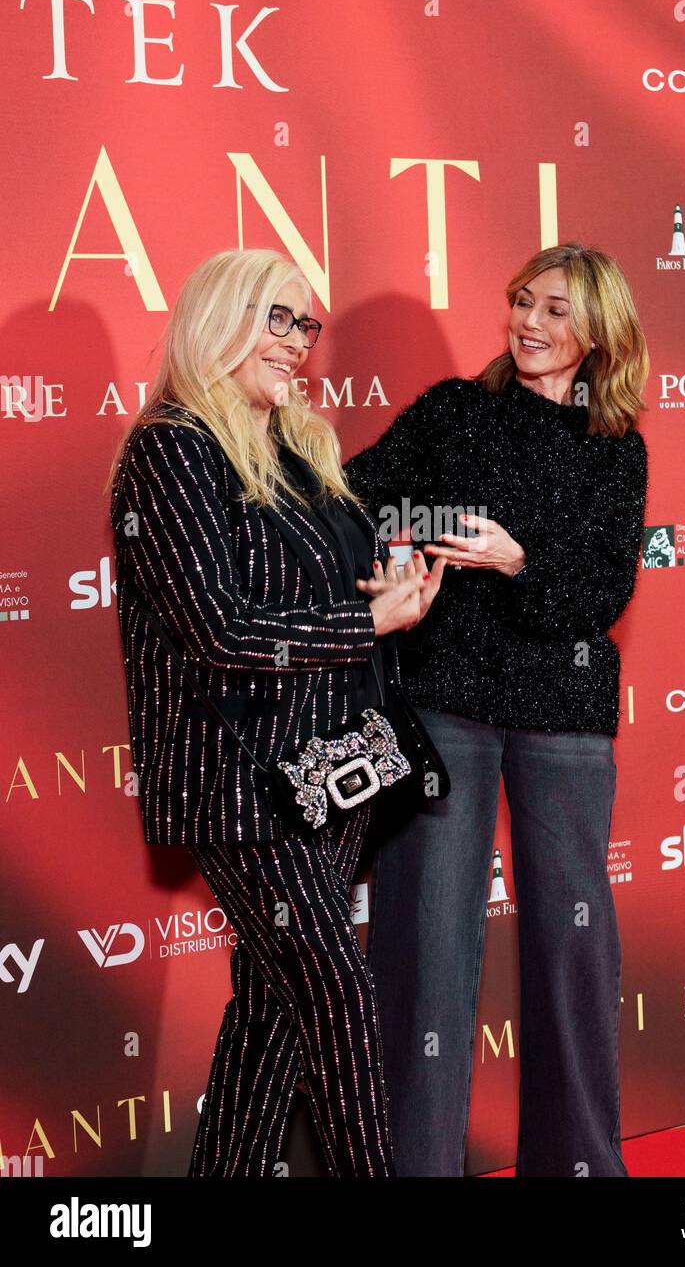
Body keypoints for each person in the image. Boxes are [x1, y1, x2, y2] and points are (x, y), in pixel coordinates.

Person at [106, 246, 443, 1177]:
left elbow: (323, 601)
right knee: (334, 998)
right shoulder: (172, 448)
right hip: (239, 780)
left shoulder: (297, 446)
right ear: (220, 318)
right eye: (277, 318)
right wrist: (359, 616)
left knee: (273, 1018)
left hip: (328, 770)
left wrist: (389, 594)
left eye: (307, 325)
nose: (298, 343)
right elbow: (215, 629)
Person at [345, 242, 650, 1177]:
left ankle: (581, 1167)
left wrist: (517, 561)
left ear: (597, 330)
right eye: (523, 301)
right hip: (445, 701)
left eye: (556, 309)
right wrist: (419, 537)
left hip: (564, 713)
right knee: (427, 940)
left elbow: (598, 598)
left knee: (573, 947)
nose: (530, 322)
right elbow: (357, 497)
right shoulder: (454, 412)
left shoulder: (617, 447)